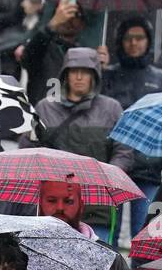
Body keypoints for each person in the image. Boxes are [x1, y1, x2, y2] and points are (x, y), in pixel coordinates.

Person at [24, 48, 135, 219]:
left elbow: (123, 151)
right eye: (74, 71)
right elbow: (28, 149)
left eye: (85, 72)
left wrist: (107, 178)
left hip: (98, 204)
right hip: (54, 206)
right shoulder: (44, 108)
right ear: (65, 75)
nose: (79, 77)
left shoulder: (112, 109)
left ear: (95, 75)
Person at [101, 16, 162, 236]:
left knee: (145, 237)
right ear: (120, 41)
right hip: (112, 168)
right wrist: (97, 68)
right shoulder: (107, 75)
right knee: (108, 238)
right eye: (128, 38)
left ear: (148, 41)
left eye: (139, 37)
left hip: (148, 170)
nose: (134, 43)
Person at [17, 0, 88, 107]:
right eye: (64, 14)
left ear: (82, 23)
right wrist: (52, 26)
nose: (69, 18)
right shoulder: (44, 46)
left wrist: (102, 68)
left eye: (75, 15)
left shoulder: (86, 55)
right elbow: (28, 58)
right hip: (44, 118)